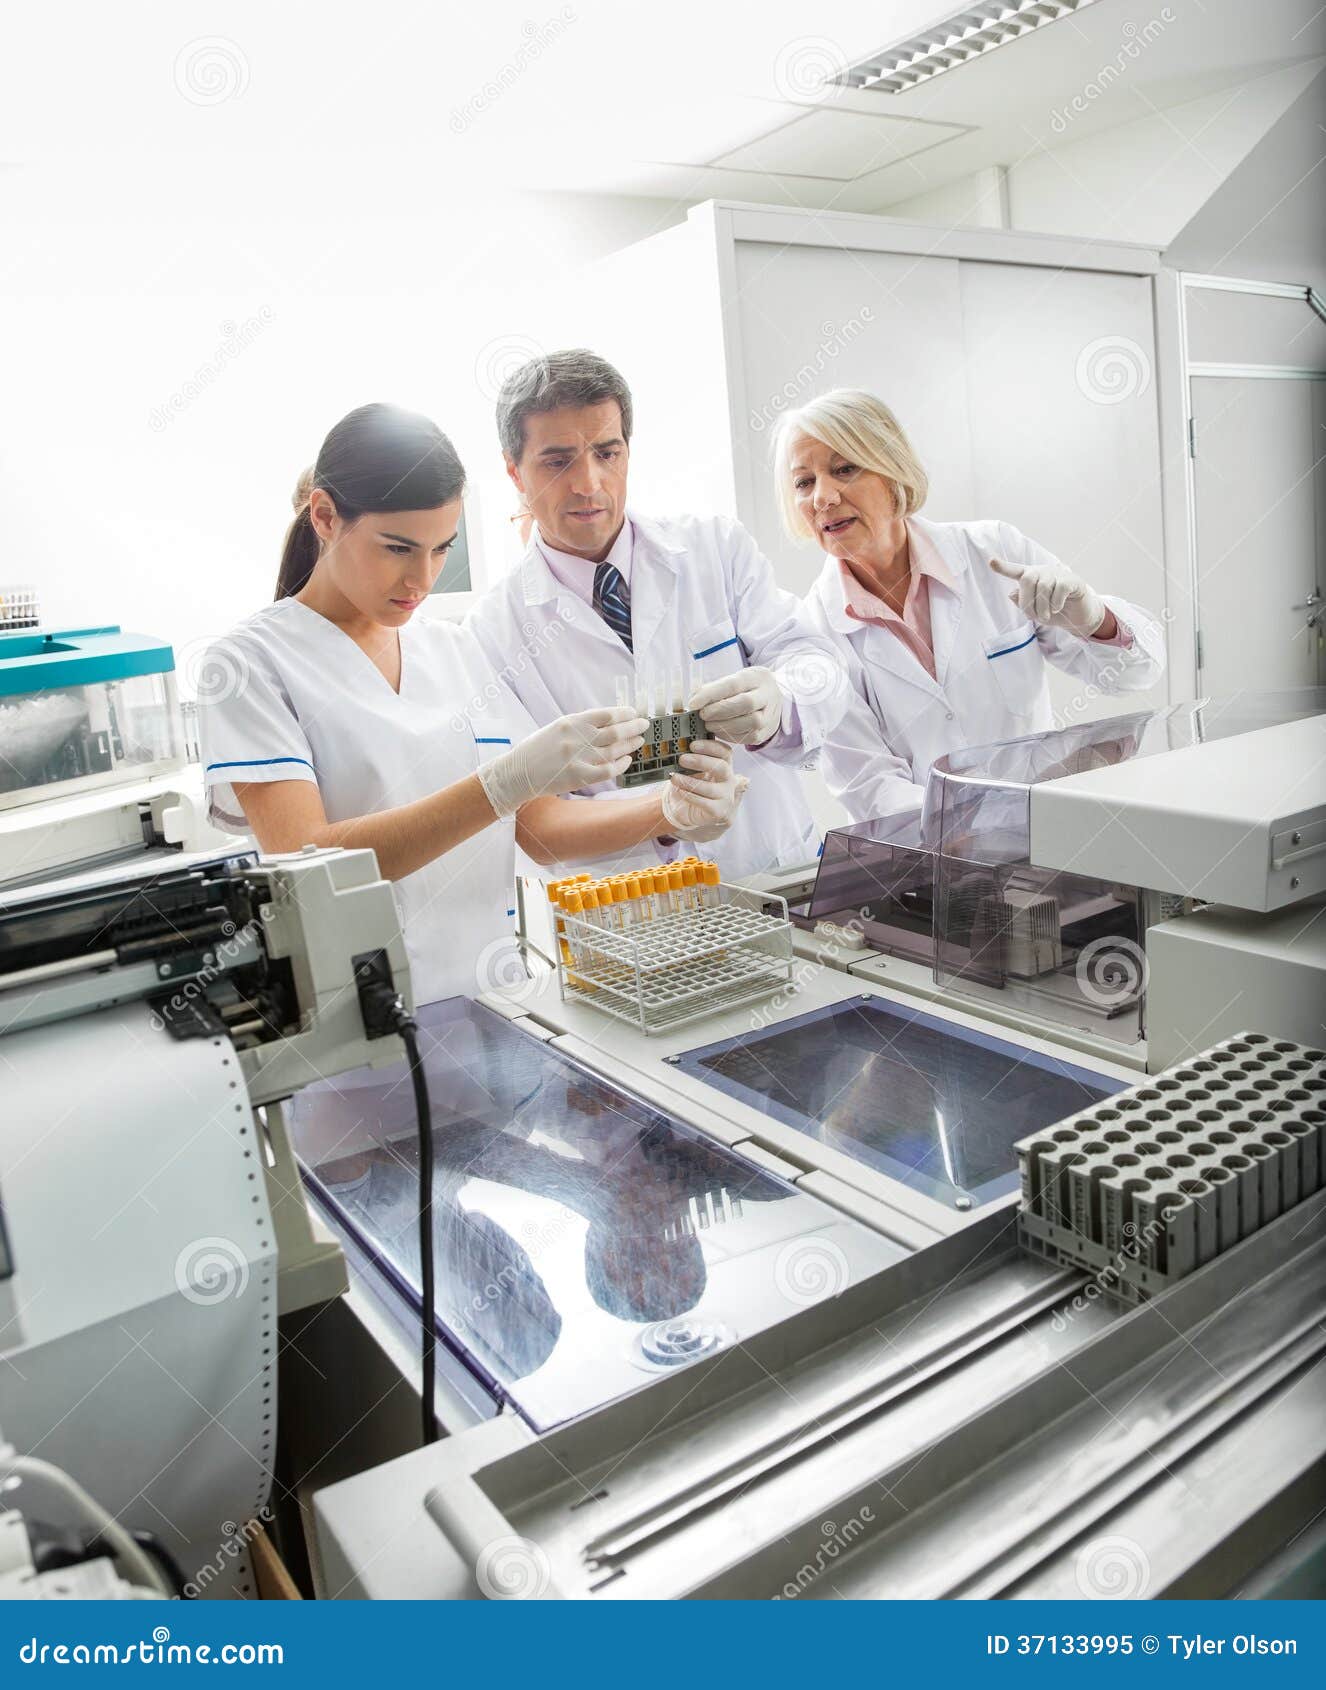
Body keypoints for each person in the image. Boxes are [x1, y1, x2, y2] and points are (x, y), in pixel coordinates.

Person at [197, 403, 745, 1006]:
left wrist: (666, 811)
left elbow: (539, 829)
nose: (421, 580)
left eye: (441, 550)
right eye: (397, 548)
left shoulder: (453, 650)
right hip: (360, 1021)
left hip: (501, 998)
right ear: (325, 516)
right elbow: (306, 864)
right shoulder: (250, 664)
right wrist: (499, 785)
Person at [465, 350, 850, 878]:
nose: (589, 483)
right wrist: (666, 815)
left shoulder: (715, 548)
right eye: (558, 461)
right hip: (633, 916)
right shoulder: (492, 632)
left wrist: (780, 700)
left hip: (772, 872)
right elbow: (535, 824)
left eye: (607, 452)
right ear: (514, 470)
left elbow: (817, 662)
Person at [774, 389, 1167, 823]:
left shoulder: (994, 552)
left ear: (893, 472)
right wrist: (982, 828)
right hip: (930, 860)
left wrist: (1096, 620)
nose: (822, 498)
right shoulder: (815, 632)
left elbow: (1134, 674)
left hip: (1046, 831)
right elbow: (870, 787)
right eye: (803, 482)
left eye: (844, 468)